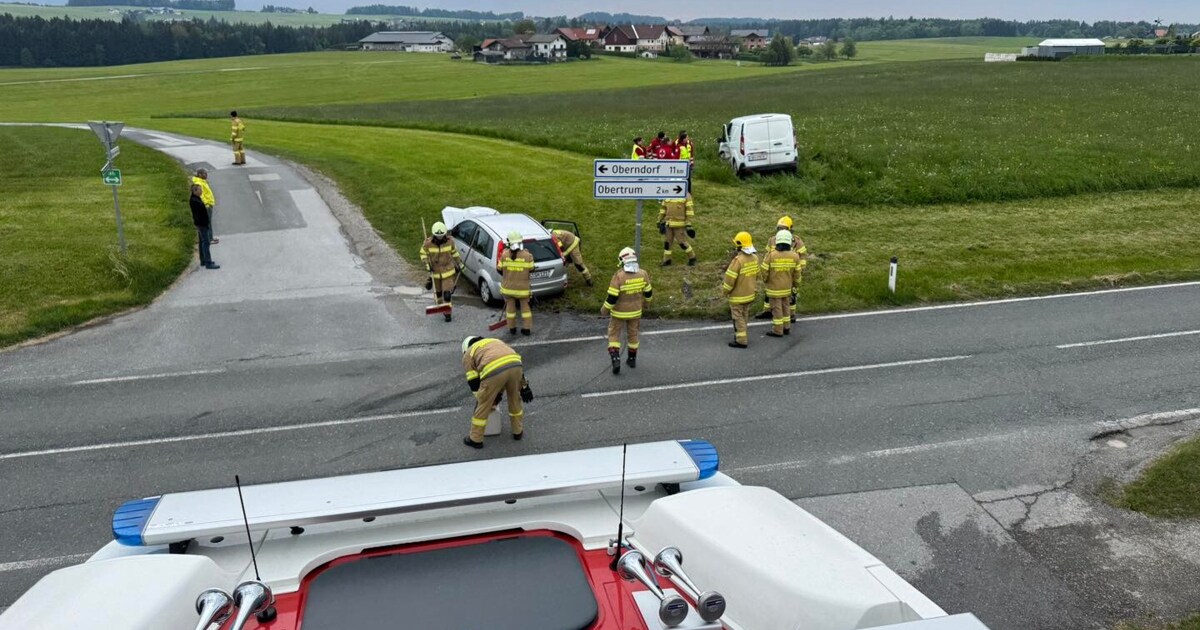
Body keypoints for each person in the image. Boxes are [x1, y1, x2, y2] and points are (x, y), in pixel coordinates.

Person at [461, 336, 526, 448]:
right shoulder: (495, 341)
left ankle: (475, 439)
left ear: (465, 349)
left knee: (483, 404)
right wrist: (524, 386)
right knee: (515, 399)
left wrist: (483, 399)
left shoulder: (468, 354)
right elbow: (509, 360)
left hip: (494, 370)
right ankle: (518, 432)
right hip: (516, 365)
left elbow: (473, 382)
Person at [602, 247, 653, 375]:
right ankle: (631, 360)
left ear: (622, 260)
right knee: (633, 335)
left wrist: (604, 310)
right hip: (635, 312)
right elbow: (648, 293)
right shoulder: (643, 274)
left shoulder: (619, 276)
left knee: (614, 335)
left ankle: (615, 359)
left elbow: (612, 297)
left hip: (618, 313)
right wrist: (646, 304)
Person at [757, 216, 808, 320]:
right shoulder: (772, 240)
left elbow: (802, 255)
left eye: (784, 228)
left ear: (790, 229)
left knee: (792, 293)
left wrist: (800, 269)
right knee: (769, 292)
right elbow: (767, 255)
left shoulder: (797, 241)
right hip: (775, 272)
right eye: (779, 228)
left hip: (790, 272)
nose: (781, 231)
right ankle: (767, 311)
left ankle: (791, 314)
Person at [759, 230, 803, 337]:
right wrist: (795, 285)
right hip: (787, 288)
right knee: (786, 307)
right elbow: (797, 274)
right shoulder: (795, 256)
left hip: (774, 288)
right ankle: (786, 327)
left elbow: (764, 271)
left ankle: (778, 330)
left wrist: (766, 280)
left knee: (776, 308)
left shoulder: (771, 255)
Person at [419, 221, 463, 322]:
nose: (440, 238)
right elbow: (423, 253)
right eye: (438, 236)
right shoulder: (428, 243)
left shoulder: (450, 241)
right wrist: (426, 263)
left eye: (442, 235)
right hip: (435, 272)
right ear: (434, 235)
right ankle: (440, 306)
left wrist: (460, 263)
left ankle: (448, 314)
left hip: (448, 271)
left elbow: (454, 253)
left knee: (447, 295)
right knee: (438, 294)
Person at [723, 231, 759, 348]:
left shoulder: (738, 261)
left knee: (738, 317)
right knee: (744, 315)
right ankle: (740, 335)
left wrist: (725, 292)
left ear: (739, 245)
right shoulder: (755, 258)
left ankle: (741, 340)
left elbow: (729, 280)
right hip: (750, 294)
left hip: (738, 296)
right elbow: (756, 275)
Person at [498, 230, 535, 335]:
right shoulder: (528, 255)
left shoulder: (504, 255)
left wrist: (508, 274)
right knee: (525, 310)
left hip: (508, 289)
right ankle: (526, 329)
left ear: (509, 243)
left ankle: (512, 328)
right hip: (523, 290)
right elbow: (532, 269)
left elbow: (499, 269)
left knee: (510, 311)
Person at [656, 193, 696, 266]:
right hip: (668, 224)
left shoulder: (686, 195)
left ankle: (692, 257)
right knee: (667, 243)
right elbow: (663, 209)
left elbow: (689, 211)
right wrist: (659, 220)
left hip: (679, 225)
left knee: (682, 243)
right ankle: (667, 260)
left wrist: (688, 224)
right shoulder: (668, 194)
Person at [189, 184, 219, 270]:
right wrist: (206, 223)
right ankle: (208, 263)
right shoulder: (195, 201)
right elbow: (200, 215)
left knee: (202, 242)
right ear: (195, 191)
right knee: (206, 242)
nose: (201, 191)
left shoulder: (195, 199)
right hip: (202, 224)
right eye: (199, 189)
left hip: (200, 224)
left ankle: (203, 260)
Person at [191, 168, 217, 245]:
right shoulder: (200, 183)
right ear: (200, 174)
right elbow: (201, 195)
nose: (206, 175)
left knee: (209, 222)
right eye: (204, 173)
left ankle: (210, 237)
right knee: (208, 222)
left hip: (209, 204)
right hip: (207, 205)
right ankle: (209, 238)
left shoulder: (202, 182)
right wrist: (206, 204)